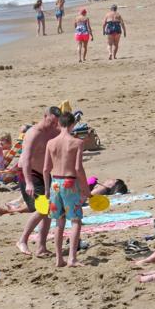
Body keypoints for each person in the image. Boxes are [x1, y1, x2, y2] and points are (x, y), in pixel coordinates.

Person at [43, 112, 89, 267]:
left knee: (59, 221)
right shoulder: (77, 143)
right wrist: (85, 188)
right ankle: (72, 258)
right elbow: (78, 168)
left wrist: (46, 189)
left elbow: (45, 169)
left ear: (59, 124)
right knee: (75, 220)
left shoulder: (51, 143)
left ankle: (58, 258)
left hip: (55, 182)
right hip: (70, 182)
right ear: (72, 125)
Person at [15, 107, 61, 257]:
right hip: (29, 173)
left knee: (48, 211)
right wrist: (28, 182)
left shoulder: (56, 131)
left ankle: (41, 247)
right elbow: (26, 159)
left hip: (45, 174)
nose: (53, 125)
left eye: (56, 123)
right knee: (43, 208)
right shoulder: (34, 133)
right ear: (45, 116)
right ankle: (22, 240)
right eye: (51, 121)